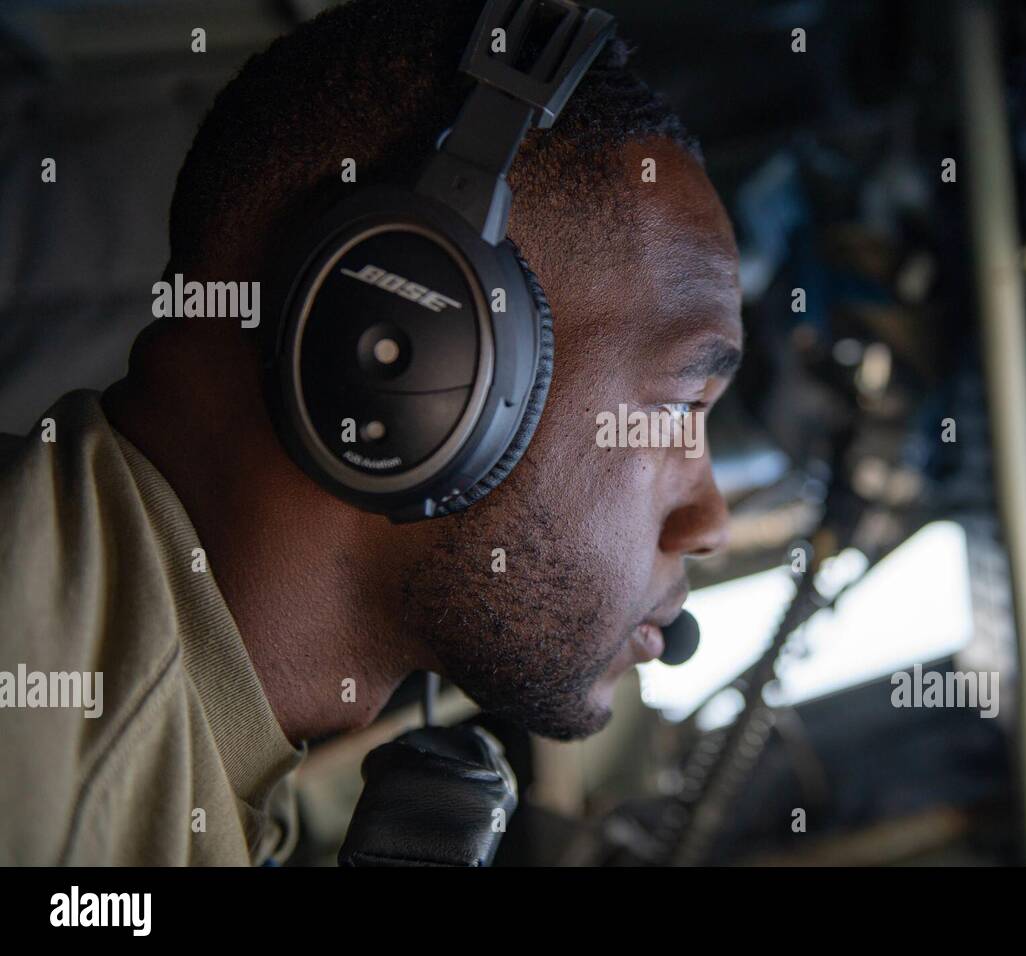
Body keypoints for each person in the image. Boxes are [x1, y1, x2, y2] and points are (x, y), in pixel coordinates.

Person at [0, 0, 742, 865]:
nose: (712, 523)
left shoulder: (167, 753)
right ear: (402, 328)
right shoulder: (62, 803)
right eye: (683, 408)